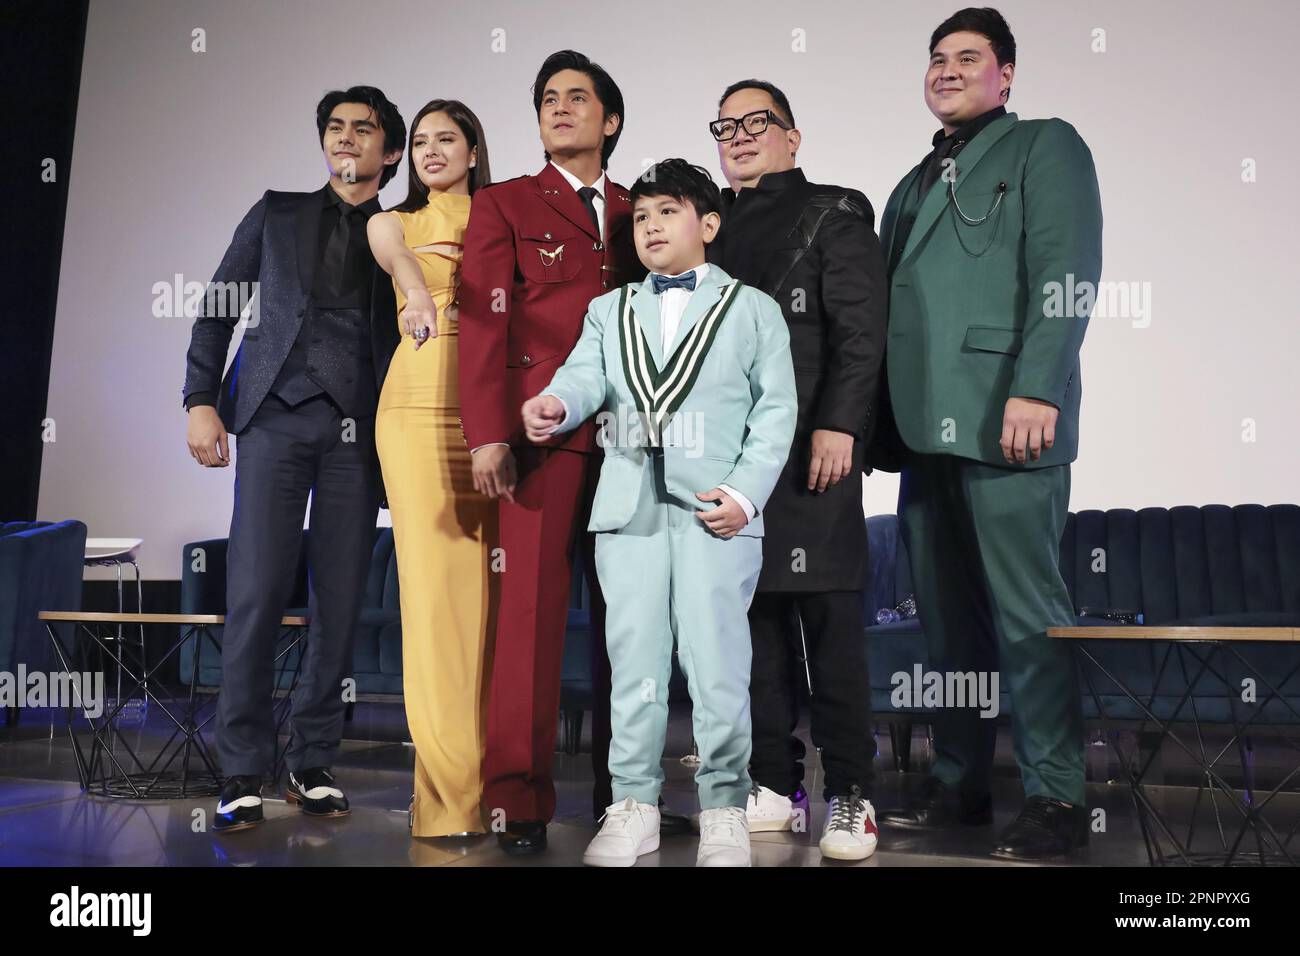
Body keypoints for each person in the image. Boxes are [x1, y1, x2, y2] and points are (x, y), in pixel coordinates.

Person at [873, 7, 1103, 860]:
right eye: (936, 58)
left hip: (1008, 414)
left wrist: (1038, 388)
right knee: (945, 627)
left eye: (967, 57)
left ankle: (1057, 797)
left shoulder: (1047, 144)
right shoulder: (912, 181)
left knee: (1028, 616)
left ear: (1006, 74)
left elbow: (1068, 272)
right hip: (923, 429)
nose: (947, 70)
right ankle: (958, 784)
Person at [523, 159, 797, 867]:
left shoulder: (753, 309)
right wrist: (559, 402)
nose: (649, 226)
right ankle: (633, 803)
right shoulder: (609, 309)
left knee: (718, 666)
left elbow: (776, 410)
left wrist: (744, 494)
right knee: (633, 662)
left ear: (707, 223)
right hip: (629, 505)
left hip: (716, 508)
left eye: (666, 212)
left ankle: (725, 809)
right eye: (640, 216)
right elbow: (585, 374)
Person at [182, 86, 405, 831]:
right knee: (255, 593)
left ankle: (311, 763)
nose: (347, 139)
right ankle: (242, 770)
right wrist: (199, 399)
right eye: (336, 128)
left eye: (363, 130)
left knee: (338, 600)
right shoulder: (277, 211)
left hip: (356, 430)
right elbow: (220, 302)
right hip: (273, 420)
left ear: (390, 152)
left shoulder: (399, 229)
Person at [456, 50, 645, 854]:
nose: (559, 109)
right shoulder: (502, 204)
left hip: (636, 442)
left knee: (633, 628)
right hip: (542, 439)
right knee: (528, 618)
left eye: (577, 98)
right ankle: (518, 801)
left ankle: (624, 798)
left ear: (610, 120)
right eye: (547, 100)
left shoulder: (644, 207)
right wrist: (488, 431)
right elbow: (482, 322)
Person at [708, 79, 887, 861]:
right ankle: (773, 784)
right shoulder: (707, 224)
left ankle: (853, 794)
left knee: (831, 624)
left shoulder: (835, 209)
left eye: (759, 122)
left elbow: (859, 331)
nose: (741, 136)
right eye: (727, 125)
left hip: (815, 449)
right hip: (736, 460)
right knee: (752, 625)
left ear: (793, 135)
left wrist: (840, 424)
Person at [366, 99, 497, 838]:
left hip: (492, 411)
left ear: (476, 150)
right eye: (420, 141)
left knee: (487, 602)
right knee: (431, 601)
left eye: (448, 138)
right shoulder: (397, 222)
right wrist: (417, 290)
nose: (431, 150)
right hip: (414, 407)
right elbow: (392, 248)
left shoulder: (503, 213)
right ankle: (448, 799)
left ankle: (493, 784)